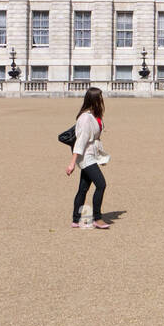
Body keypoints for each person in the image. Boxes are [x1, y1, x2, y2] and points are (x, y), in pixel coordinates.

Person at [67, 87, 110, 228]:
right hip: (85, 156)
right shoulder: (86, 118)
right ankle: (97, 218)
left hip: (91, 154)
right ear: (95, 100)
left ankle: (75, 219)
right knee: (101, 184)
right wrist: (72, 163)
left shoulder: (94, 115)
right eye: (100, 98)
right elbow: (81, 142)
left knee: (83, 188)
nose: (102, 100)